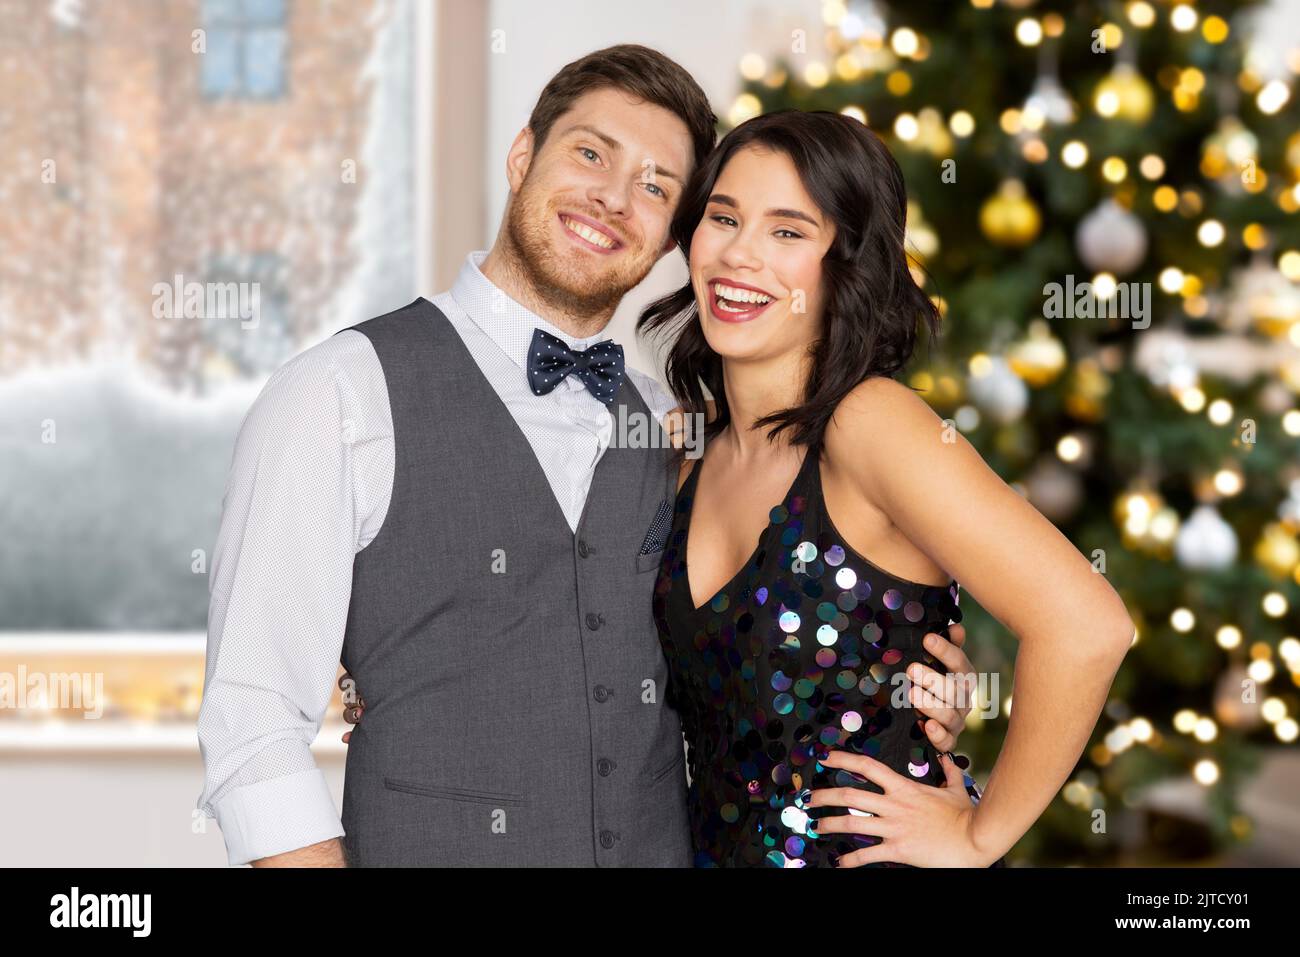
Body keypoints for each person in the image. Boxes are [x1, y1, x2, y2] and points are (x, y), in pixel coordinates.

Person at [199, 44, 976, 868]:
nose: (613, 197)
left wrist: (896, 685)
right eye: (591, 153)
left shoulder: (677, 431)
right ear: (523, 155)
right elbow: (252, 722)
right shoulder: (337, 393)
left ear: (674, 236)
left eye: (655, 186)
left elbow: (758, 641)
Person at [636, 109, 1136, 867]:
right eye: (723, 217)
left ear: (847, 263)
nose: (740, 255)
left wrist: (980, 833)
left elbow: (1088, 625)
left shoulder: (870, 423)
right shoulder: (687, 448)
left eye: (788, 231)